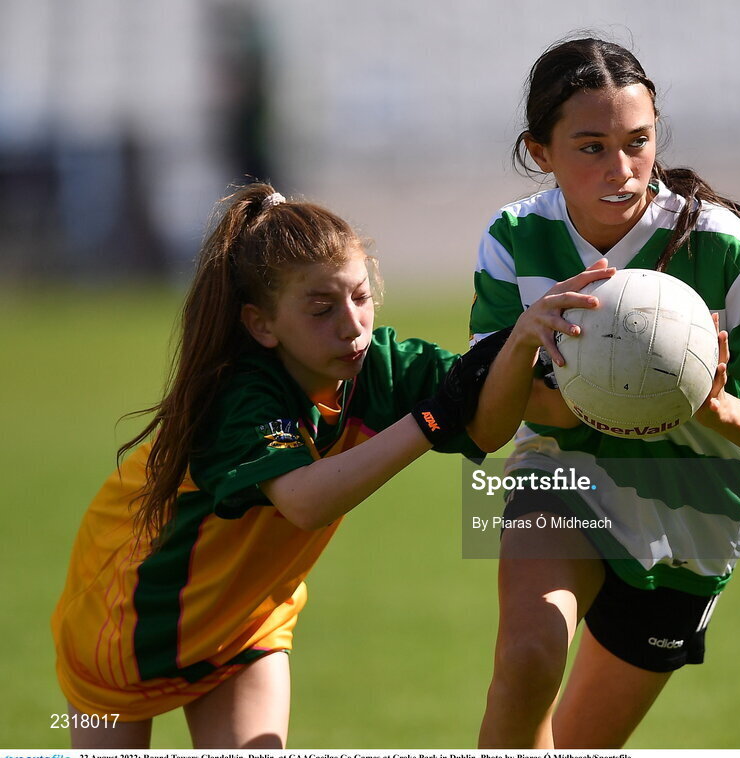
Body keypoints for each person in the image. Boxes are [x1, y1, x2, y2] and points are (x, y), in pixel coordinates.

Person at [51, 182, 546, 748]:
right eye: (321, 309)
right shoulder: (238, 395)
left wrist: (523, 347)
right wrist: (430, 421)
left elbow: (488, 425)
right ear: (262, 324)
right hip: (135, 622)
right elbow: (305, 502)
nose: (351, 324)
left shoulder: (375, 364)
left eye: (360, 297)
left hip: (247, 621)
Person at [469, 37, 740, 748]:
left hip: (690, 519)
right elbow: (490, 422)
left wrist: (713, 407)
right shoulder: (514, 240)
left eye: (638, 142)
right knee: (527, 657)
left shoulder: (719, 247)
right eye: (591, 146)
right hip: (561, 477)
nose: (622, 169)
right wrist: (523, 348)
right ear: (540, 151)